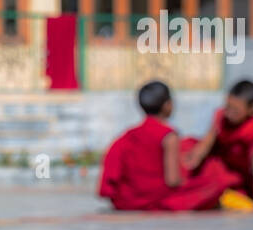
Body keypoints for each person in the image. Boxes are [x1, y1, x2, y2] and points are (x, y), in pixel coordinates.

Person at [99, 81, 238, 211]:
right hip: (158, 199)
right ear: (167, 105)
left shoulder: (128, 135)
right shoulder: (168, 135)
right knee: (222, 181)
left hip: (127, 200)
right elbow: (172, 180)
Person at [183, 78, 253, 208]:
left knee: (219, 184)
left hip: (237, 180)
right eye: (227, 107)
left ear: (251, 109)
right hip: (218, 168)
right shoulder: (221, 116)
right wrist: (187, 165)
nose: (229, 114)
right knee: (186, 145)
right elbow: (205, 144)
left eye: (235, 110)